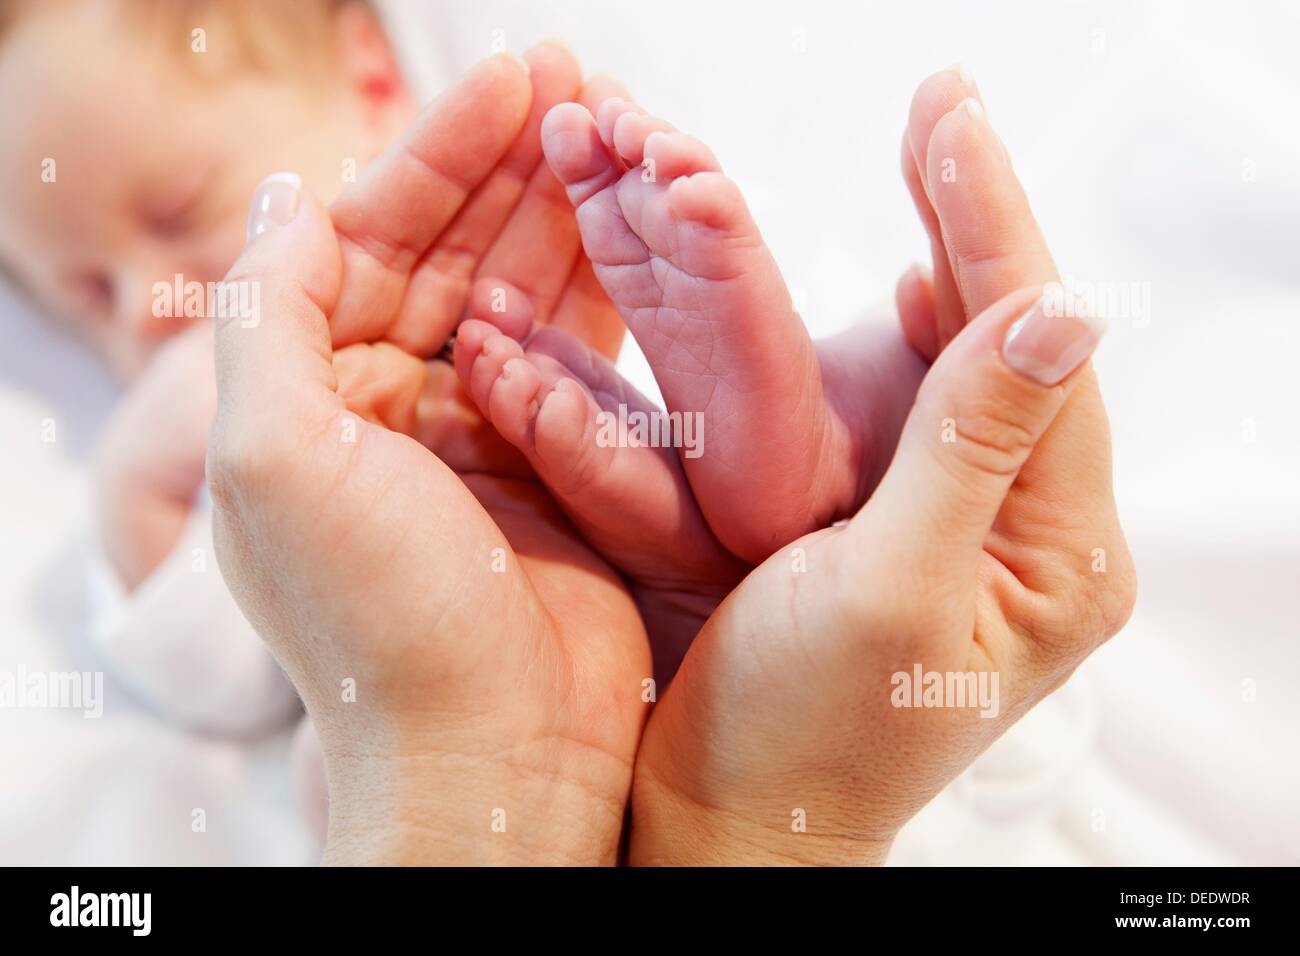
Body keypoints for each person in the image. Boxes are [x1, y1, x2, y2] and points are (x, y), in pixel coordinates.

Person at [208, 53, 1135, 863]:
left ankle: (792, 475)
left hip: (475, 776)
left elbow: (201, 658)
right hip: (857, 751)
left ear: (369, 72)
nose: (134, 300)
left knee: (886, 360)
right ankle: (801, 482)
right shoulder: (245, 409)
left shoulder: (254, 386)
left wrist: (461, 772)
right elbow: (212, 656)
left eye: (168, 214)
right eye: (81, 300)